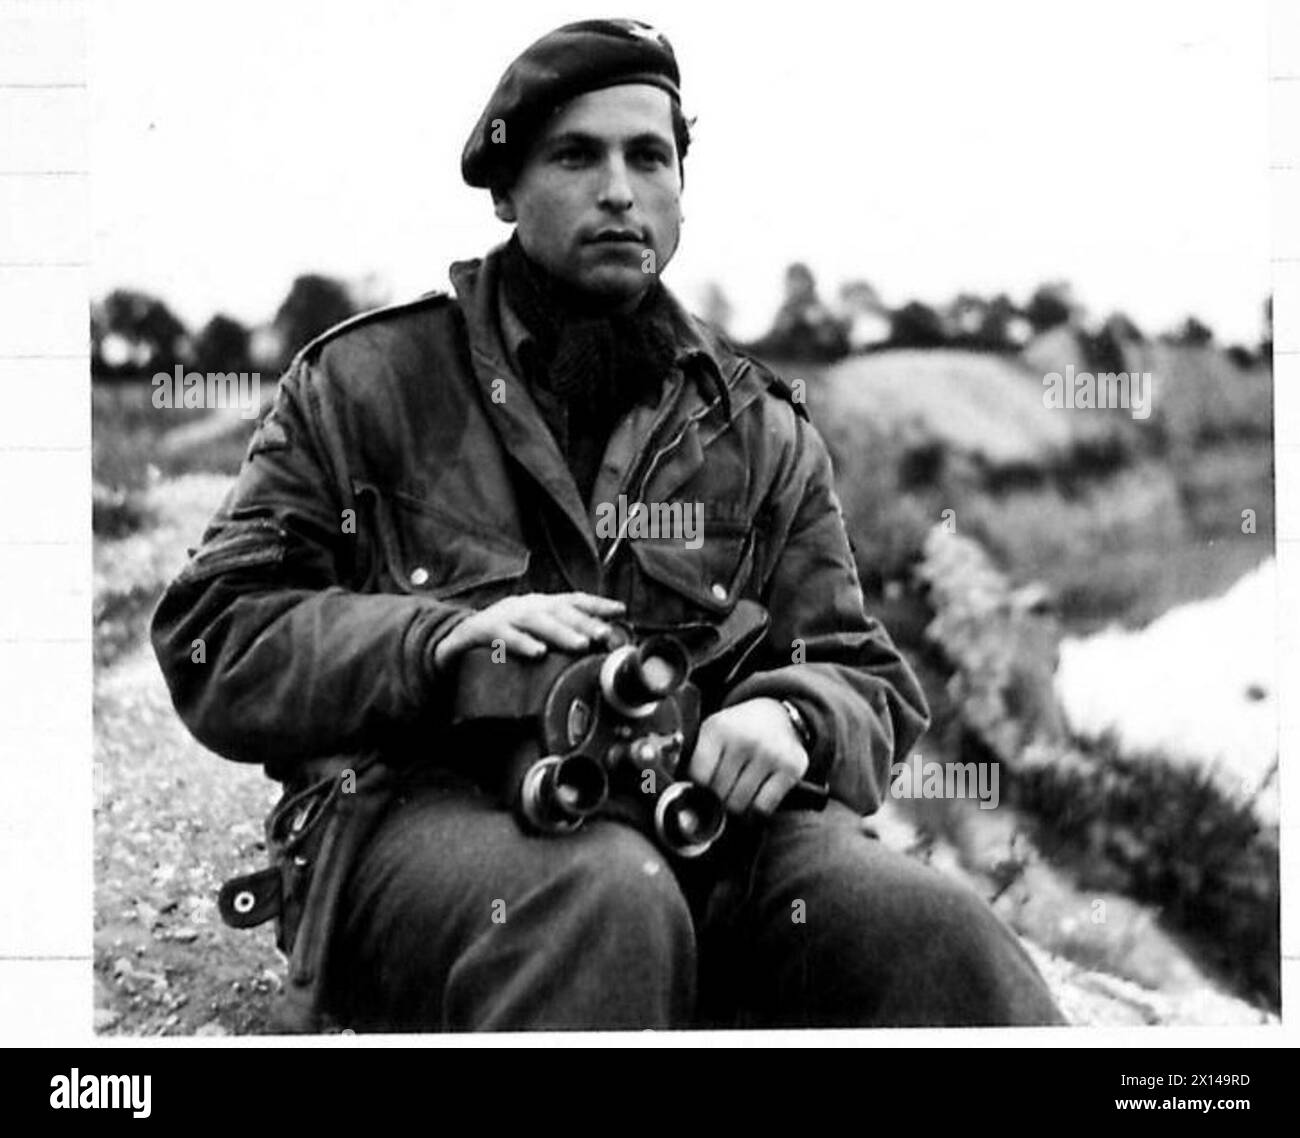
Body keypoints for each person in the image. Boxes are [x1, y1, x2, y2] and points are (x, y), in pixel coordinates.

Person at [152, 17, 1065, 1032]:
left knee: (930, 925)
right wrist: (436, 639)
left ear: (681, 187)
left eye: (650, 155)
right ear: (504, 191)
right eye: (575, 155)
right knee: (600, 897)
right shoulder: (365, 386)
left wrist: (793, 715)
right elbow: (213, 634)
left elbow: (862, 670)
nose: (621, 189)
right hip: (420, 825)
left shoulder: (754, 421)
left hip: (699, 831)